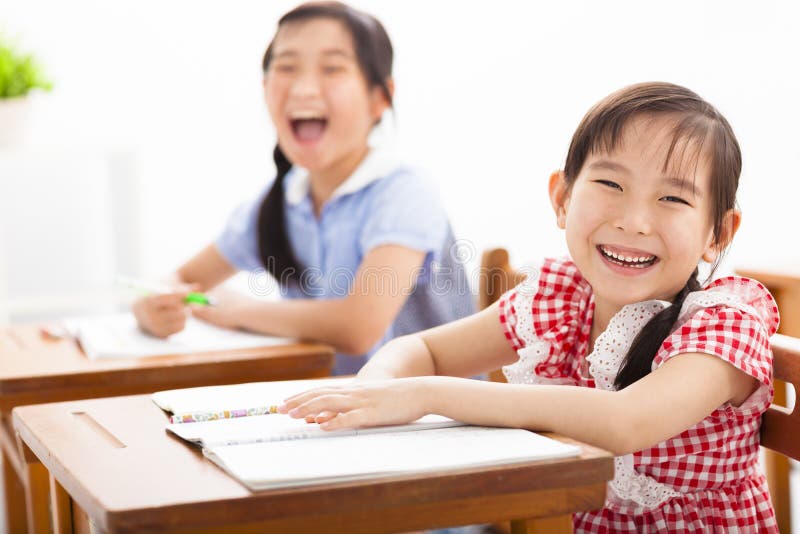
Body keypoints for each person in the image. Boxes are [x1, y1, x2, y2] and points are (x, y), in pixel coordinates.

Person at [279, 82, 780, 531]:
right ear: (562, 198)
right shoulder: (558, 299)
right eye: (611, 184)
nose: (634, 221)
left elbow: (625, 422)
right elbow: (424, 350)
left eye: (673, 199)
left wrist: (425, 395)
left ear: (718, 233)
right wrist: (374, 394)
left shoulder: (725, 325)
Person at [133, 1, 473, 376]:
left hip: (426, 409)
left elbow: (359, 327)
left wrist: (241, 311)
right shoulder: (279, 200)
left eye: (332, 68)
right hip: (325, 403)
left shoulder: (403, 191)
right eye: (287, 67)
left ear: (379, 98)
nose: (304, 88)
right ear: (265, 88)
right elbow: (179, 280)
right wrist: (151, 305)